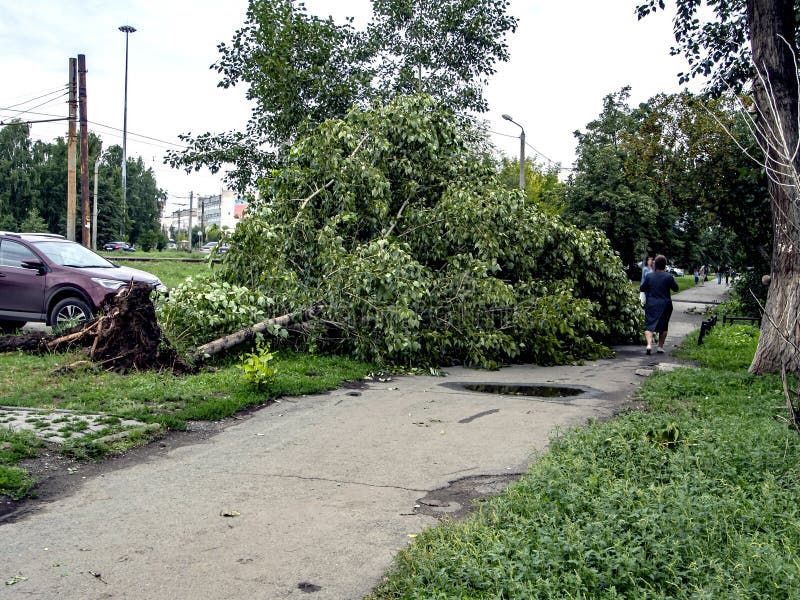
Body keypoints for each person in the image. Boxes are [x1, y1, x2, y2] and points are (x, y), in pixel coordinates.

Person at [640, 254, 679, 355]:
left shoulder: (649, 276)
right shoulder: (669, 277)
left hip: (651, 304)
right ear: (665, 265)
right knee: (663, 327)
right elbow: (676, 288)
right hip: (665, 305)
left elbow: (642, 288)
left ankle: (648, 345)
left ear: (655, 264)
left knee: (649, 326)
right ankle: (660, 347)